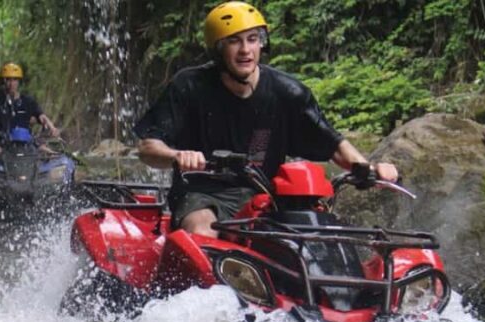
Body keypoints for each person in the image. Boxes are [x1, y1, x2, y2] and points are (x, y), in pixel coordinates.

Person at [134, 1, 398, 238]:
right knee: (203, 229)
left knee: (316, 234)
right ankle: (208, 289)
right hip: (201, 193)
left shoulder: (288, 92)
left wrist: (368, 168)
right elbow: (148, 148)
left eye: (252, 39)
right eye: (234, 41)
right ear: (218, 49)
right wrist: (178, 156)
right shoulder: (189, 86)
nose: (245, 50)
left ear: (263, 43)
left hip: (266, 196)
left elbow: (332, 144)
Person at [0, 63, 59, 154]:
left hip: (27, 143)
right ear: (3, 81)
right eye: (8, 80)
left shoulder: (28, 101)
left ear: (19, 81)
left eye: (14, 80)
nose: (11, 84)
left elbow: (42, 117)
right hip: (3, 144)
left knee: (45, 151)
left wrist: (52, 128)